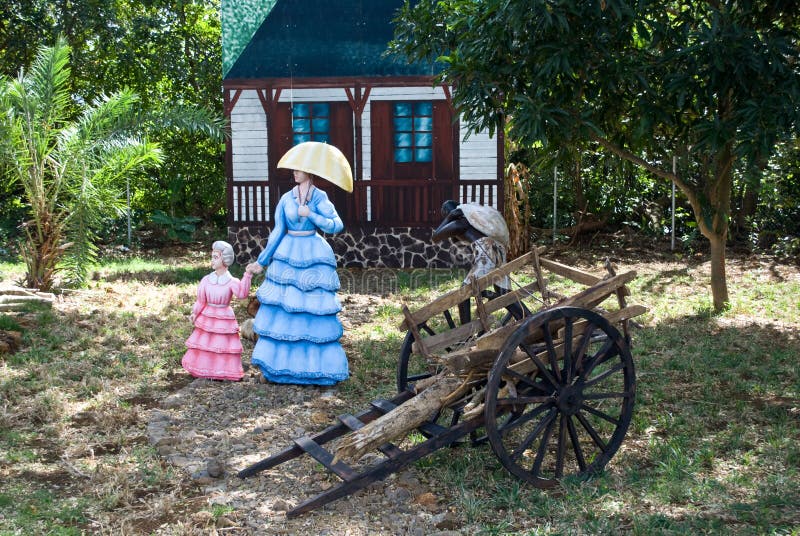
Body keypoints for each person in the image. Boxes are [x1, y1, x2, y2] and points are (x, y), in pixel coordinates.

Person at [246, 169, 349, 385]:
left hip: (313, 251)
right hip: (287, 253)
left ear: (310, 171)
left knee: (311, 308)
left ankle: (317, 369)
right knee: (285, 307)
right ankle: (280, 368)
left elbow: (336, 224)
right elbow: (278, 231)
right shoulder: (286, 198)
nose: (295, 173)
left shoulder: (320, 196)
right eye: (293, 169)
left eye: (299, 170)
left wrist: (310, 214)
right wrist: (261, 261)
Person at [182, 240, 253, 381]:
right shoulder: (206, 280)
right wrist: (195, 313)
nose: (212, 260)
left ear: (225, 259)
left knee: (221, 345)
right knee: (206, 343)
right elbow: (201, 300)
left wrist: (248, 275)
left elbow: (242, 294)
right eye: (212, 257)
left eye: (216, 257)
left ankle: (222, 370)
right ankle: (204, 368)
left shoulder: (232, 281)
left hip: (224, 316)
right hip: (208, 316)